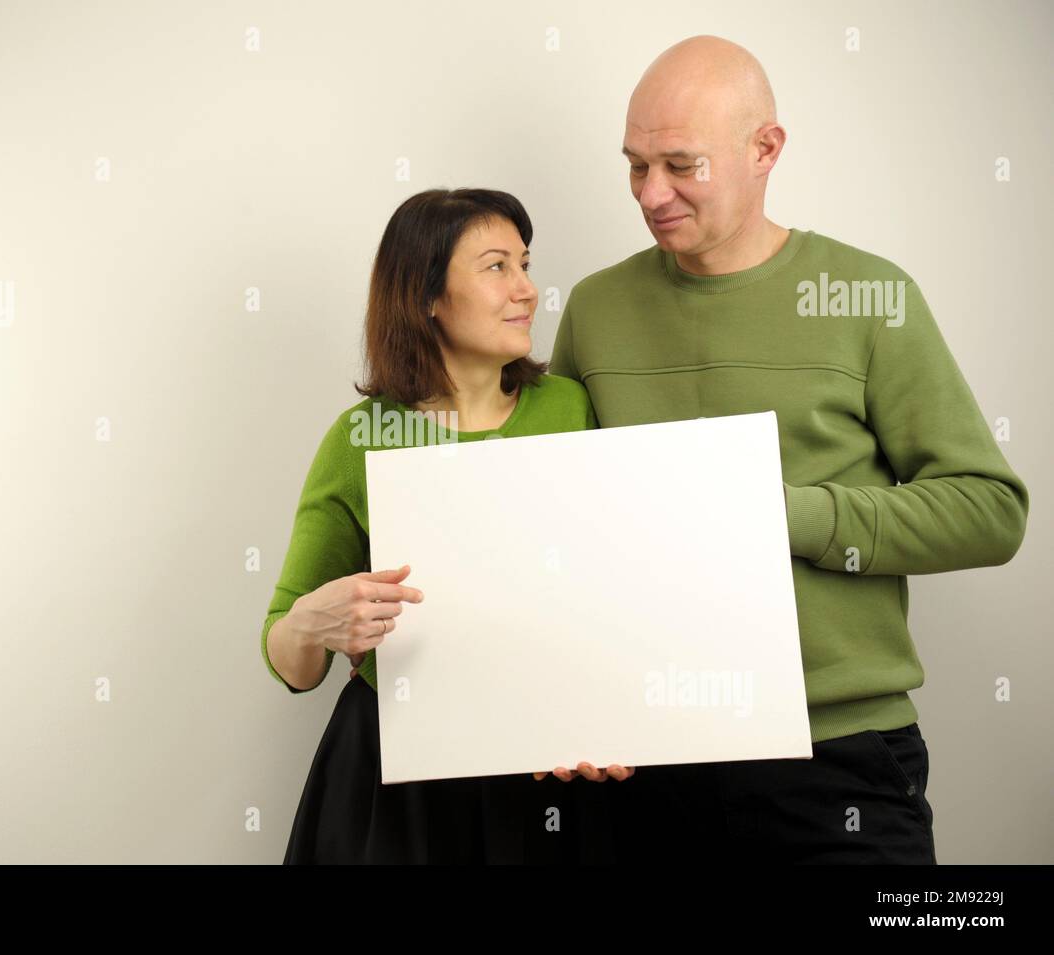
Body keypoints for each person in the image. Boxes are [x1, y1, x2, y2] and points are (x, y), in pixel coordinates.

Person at [549, 35, 1029, 863]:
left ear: (765, 149)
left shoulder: (868, 297)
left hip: (836, 764)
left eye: (680, 164)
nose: (651, 194)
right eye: (634, 166)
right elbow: (557, 523)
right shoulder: (594, 309)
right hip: (643, 765)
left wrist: (789, 515)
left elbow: (991, 511)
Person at [262, 188, 636, 864]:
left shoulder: (571, 409)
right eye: (497, 267)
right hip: (400, 780)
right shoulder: (360, 439)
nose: (528, 290)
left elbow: (609, 598)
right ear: (426, 296)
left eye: (526, 264)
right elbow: (289, 661)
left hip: (545, 769)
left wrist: (606, 711)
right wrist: (313, 622)